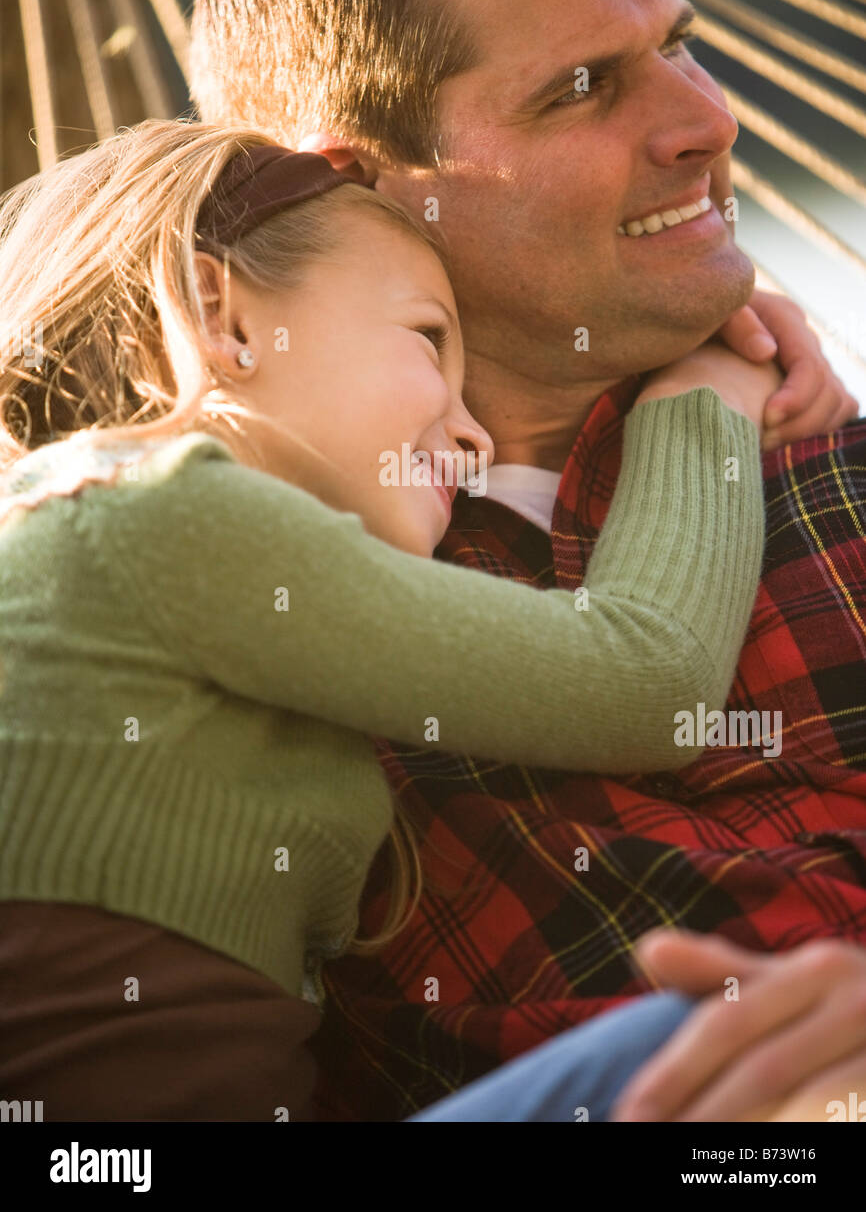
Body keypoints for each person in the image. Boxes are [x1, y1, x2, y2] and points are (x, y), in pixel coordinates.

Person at [187, 0, 866, 1123]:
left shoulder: (824, 460)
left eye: (677, 43)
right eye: (579, 89)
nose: (706, 120)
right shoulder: (257, 604)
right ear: (370, 192)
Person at [0, 116, 781, 1120]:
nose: (473, 429)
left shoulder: (110, 552)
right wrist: (704, 384)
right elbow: (647, 678)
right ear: (219, 314)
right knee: (739, 1037)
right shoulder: (151, 511)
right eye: (426, 339)